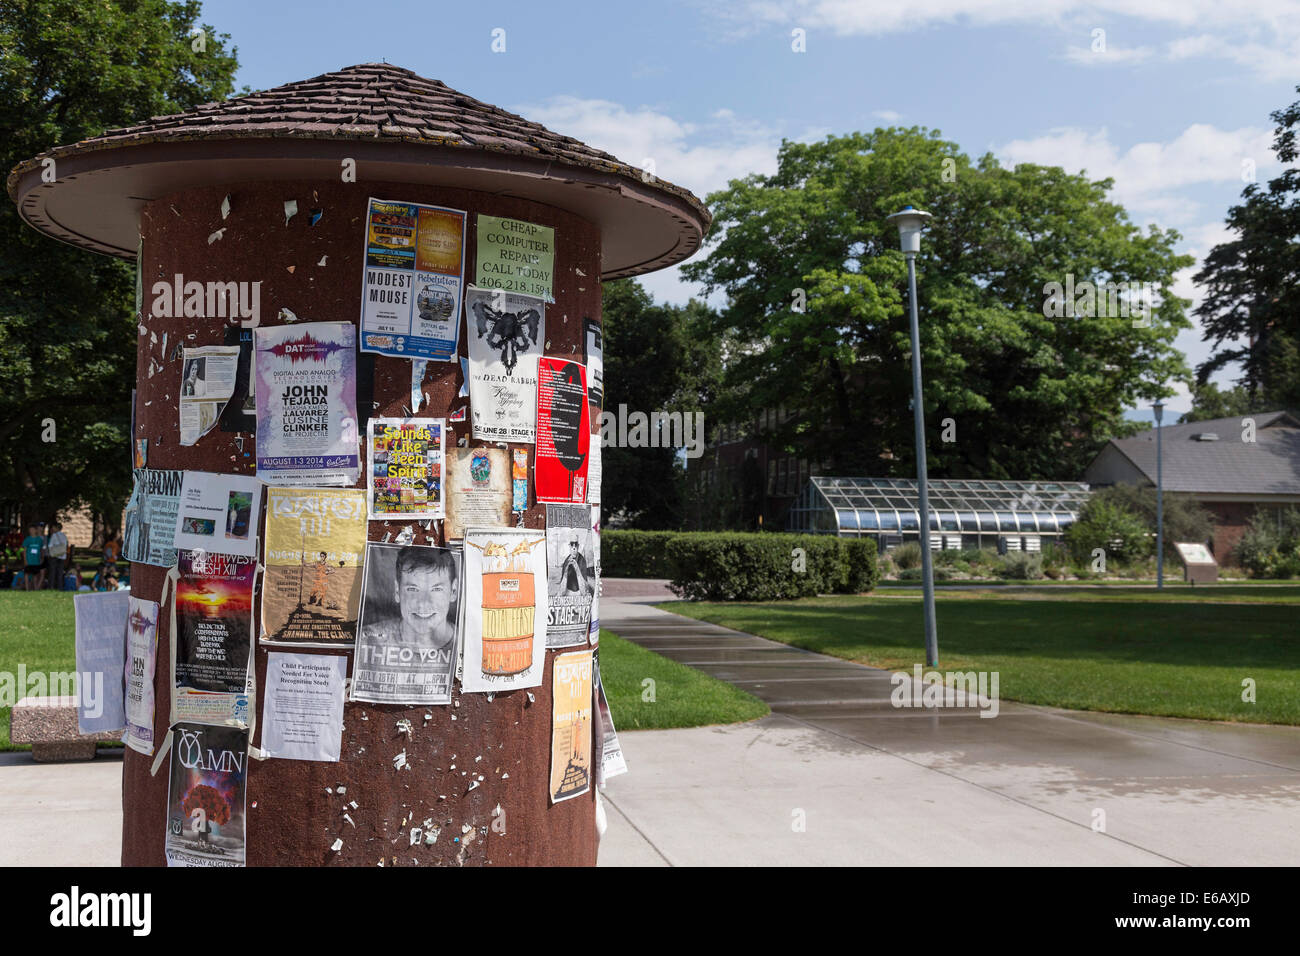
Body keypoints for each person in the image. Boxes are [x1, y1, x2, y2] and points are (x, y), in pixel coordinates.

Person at [361, 547, 459, 656]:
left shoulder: (468, 644)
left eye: (436, 589)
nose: (423, 603)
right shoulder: (365, 640)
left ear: (453, 591)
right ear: (397, 591)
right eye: (413, 589)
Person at [21, 525, 44, 591]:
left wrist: (41, 559)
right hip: (29, 560)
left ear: (36, 530)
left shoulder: (39, 540)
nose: (31, 531)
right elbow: (24, 551)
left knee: (35, 575)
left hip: (36, 560)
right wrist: (25, 560)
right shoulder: (27, 539)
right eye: (30, 530)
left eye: (32, 529)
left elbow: (41, 550)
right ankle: (27, 589)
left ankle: (35, 588)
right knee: (27, 574)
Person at [46, 521, 68, 591]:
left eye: (53, 527)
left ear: (56, 528)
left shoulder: (54, 535)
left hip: (54, 556)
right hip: (62, 556)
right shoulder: (64, 536)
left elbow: (50, 545)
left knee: (52, 572)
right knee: (60, 572)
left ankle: (51, 586)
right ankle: (60, 587)